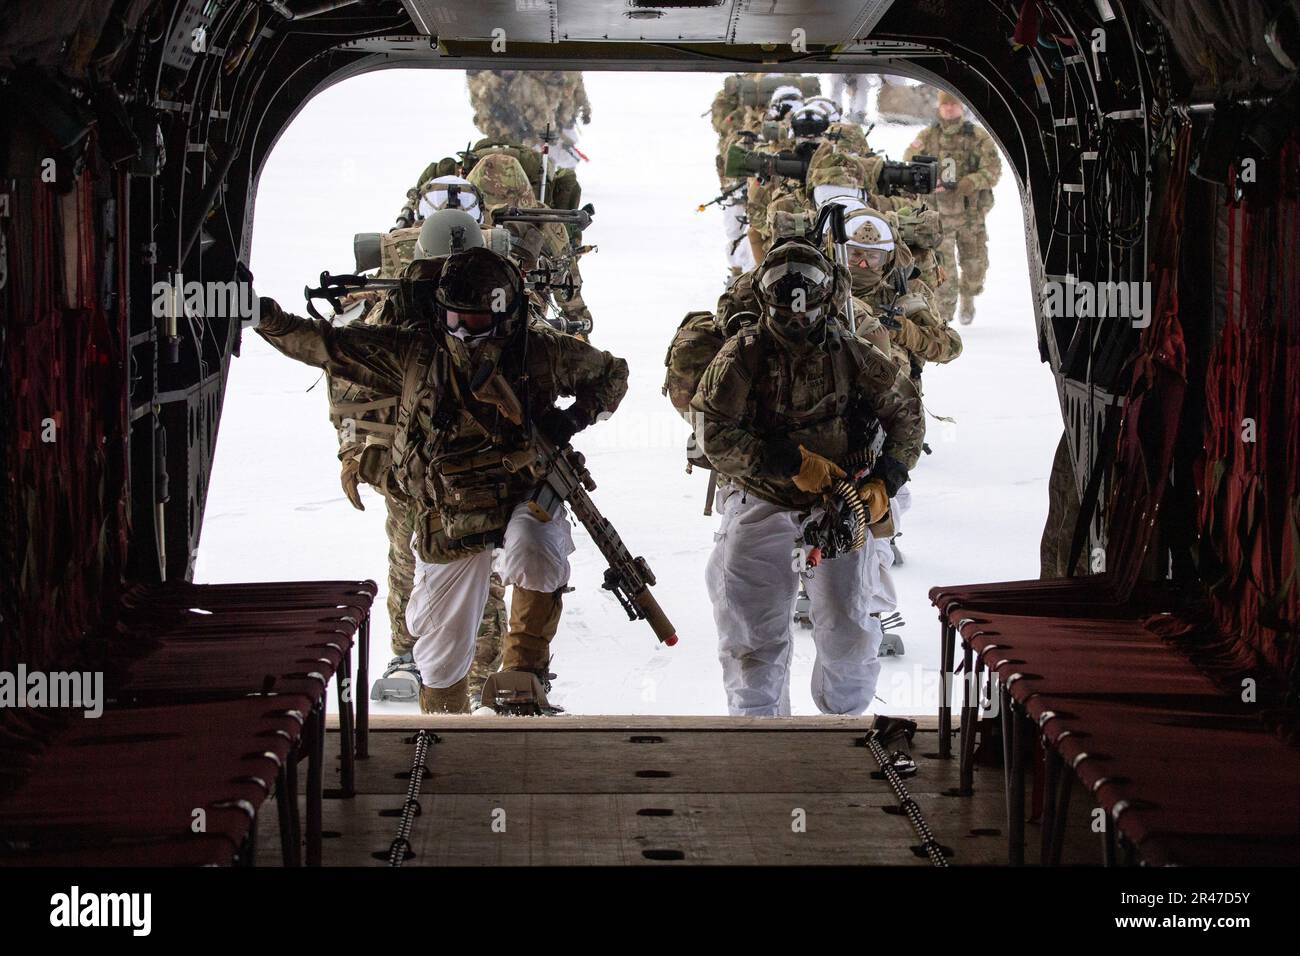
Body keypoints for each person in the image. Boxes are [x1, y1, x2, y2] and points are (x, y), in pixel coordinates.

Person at [255, 246, 628, 713]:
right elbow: (325, 345)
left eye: (474, 323)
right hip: (449, 511)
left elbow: (613, 373)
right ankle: (443, 720)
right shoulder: (415, 353)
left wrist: (572, 420)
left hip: (523, 492)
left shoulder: (544, 352)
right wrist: (261, 316)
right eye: (452, 319)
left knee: (537, 548)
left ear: (506, 316)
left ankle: (525, 676)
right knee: (440, 648)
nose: (462, 333)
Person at [691, 239, 925, 716]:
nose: (798, 321)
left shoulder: (853, 353)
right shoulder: (743, 356)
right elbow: (712, 431)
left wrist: (886, 478)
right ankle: (758, 735)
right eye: (785, 308)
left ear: (827, 299)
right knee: (751, 629)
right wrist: (786, 464)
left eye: (807, 306)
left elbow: (908, 415)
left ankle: (845, 726)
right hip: (762, 497)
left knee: (849, 626)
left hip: (840, 502)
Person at [903, 90, 1003, 324]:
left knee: (975, 265)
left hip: (970, 215)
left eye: (953, 104)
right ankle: (943, 317)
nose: (949, 108)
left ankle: (968, 297)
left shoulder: (977, 136)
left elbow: (993, 170)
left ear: (961, 107)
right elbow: (910, 160)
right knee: (941, 269)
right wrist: (928, 178)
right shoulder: (928, 136)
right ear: (939, 108)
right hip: (937, 217)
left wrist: (969, 183)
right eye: (945, 104)